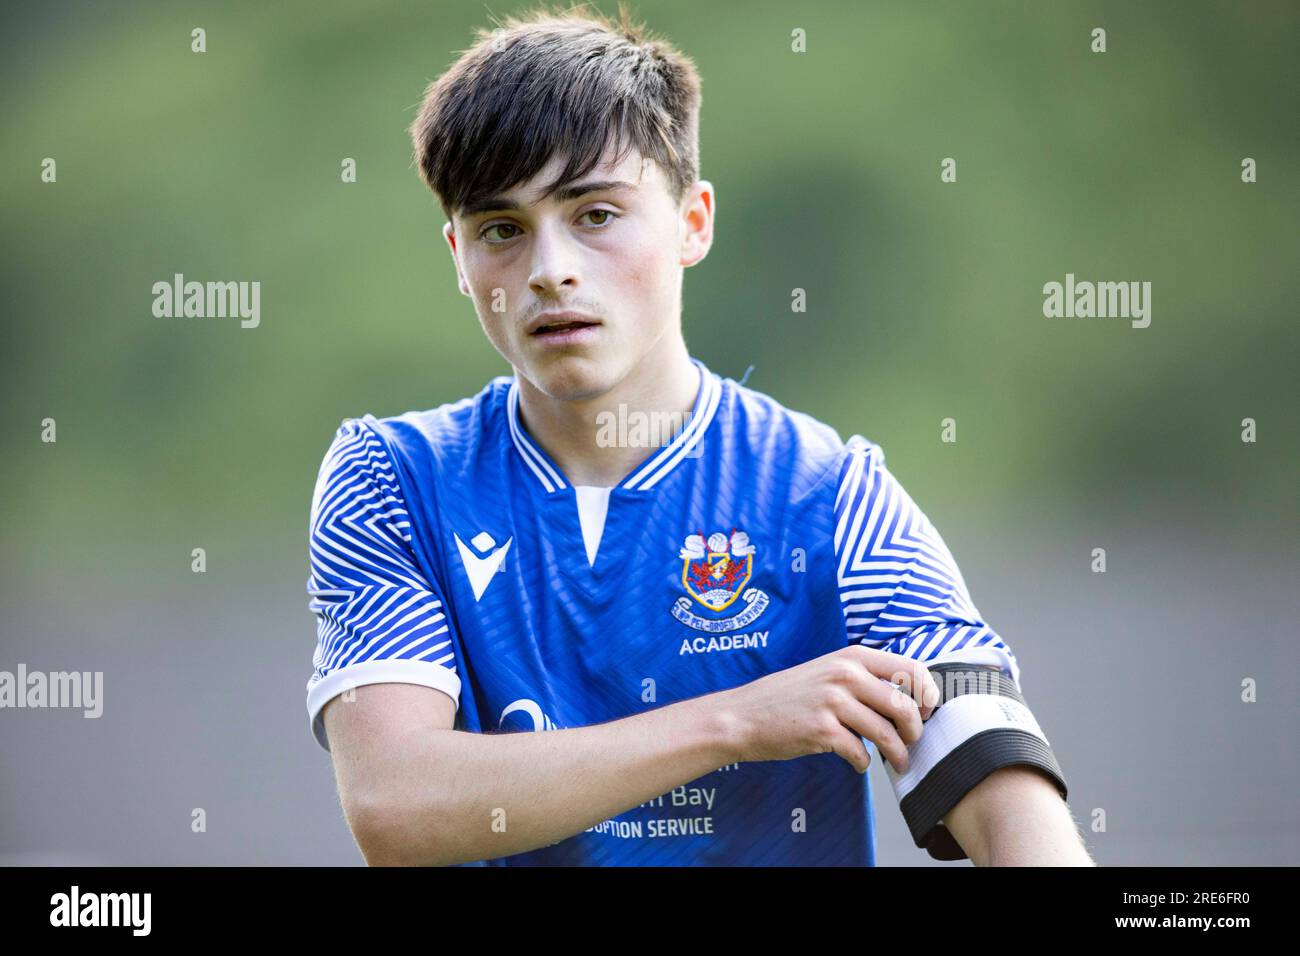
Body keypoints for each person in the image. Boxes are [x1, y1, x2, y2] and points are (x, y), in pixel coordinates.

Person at [304, 3, 1093, 866]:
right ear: (458, 256)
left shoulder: (830, 494)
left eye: (596, 213)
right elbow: (395, 802)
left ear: (693, 222)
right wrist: (735, 723)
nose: (549, 269)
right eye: (502, 230)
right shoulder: (391, 478)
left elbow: (983, 741)